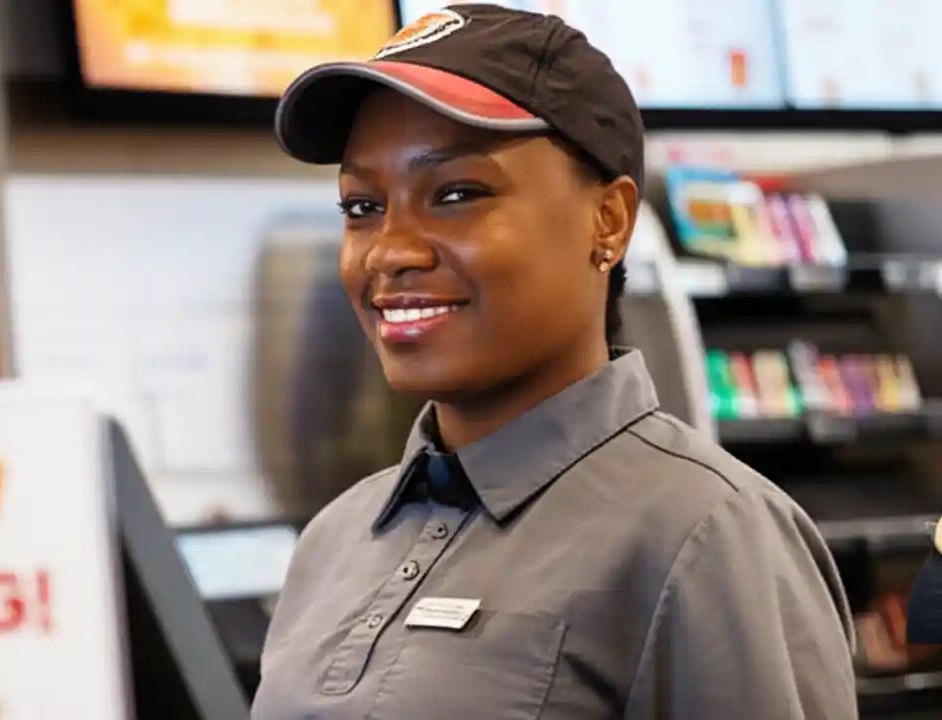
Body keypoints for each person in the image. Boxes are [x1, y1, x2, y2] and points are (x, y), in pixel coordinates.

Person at [252, 5, 858, 719]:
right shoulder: (335, 539)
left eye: (456, 194)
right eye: (361, 207)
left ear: (609, 221)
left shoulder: (706, 536)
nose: (390, 250)